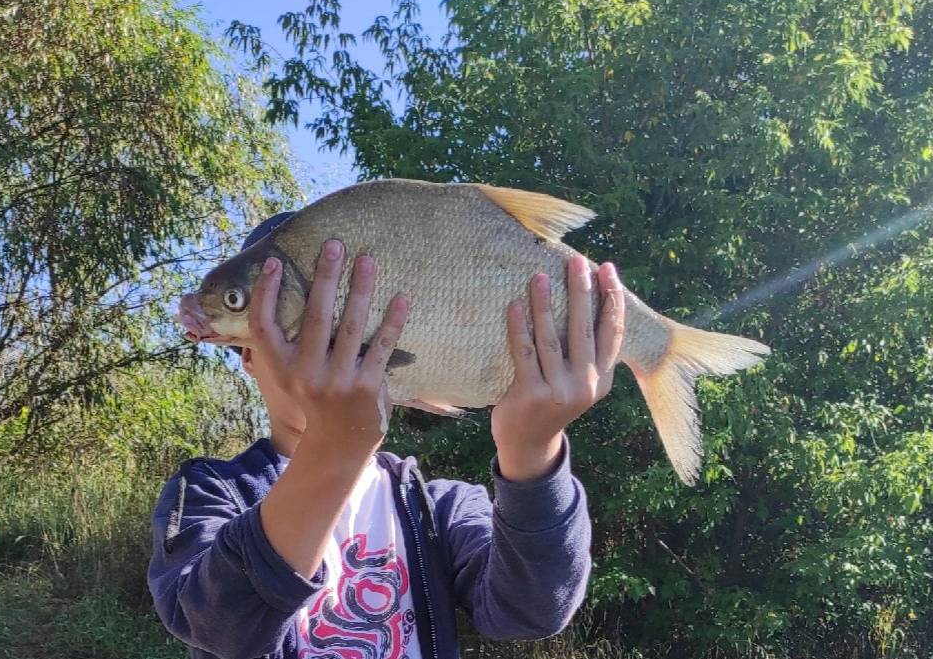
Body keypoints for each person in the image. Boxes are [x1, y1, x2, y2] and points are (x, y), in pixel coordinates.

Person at [148, 212, 628, 659]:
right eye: (305, 336)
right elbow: (216, 624)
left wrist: (531, 452)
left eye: (346, 334)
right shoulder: (211, 489)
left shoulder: (440, 506)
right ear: (247, 356)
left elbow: (530, 610)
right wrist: (335, 448)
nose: (333, 359)